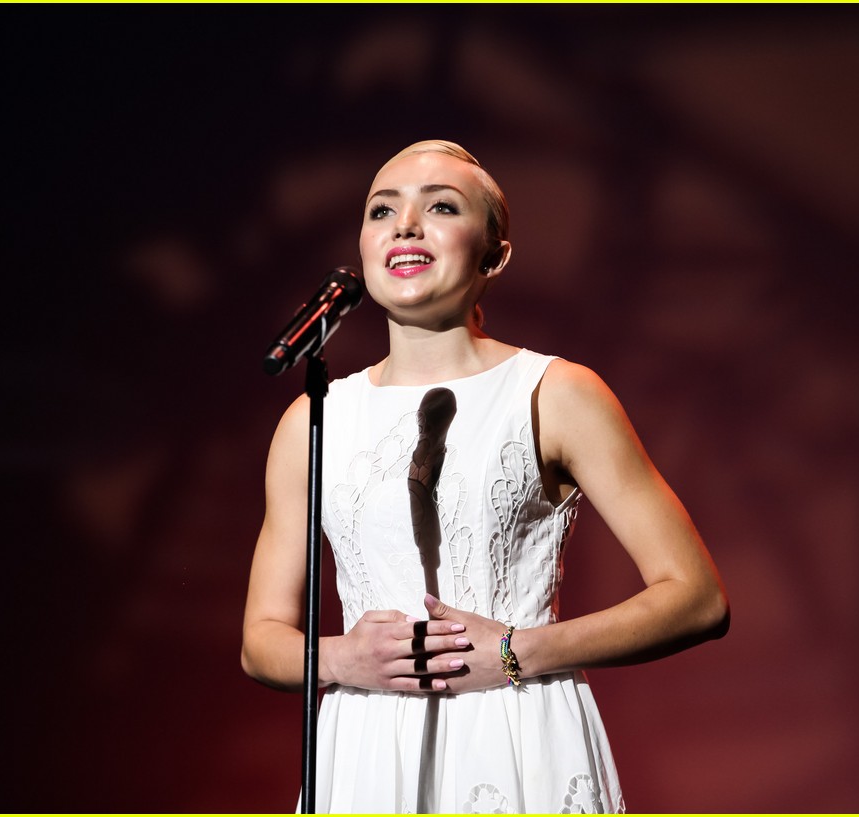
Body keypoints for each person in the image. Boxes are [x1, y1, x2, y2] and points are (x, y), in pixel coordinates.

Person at [241, 140, 729, 813]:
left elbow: (697, 598)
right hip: (364, 751)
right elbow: (261, 638)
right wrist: (342, 660)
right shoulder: (314, 418)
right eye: (382, 210)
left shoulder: (558, 392)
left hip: (517, 730)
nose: (406, 225)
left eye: (441, 206)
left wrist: (513, 651)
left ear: (494, 255)